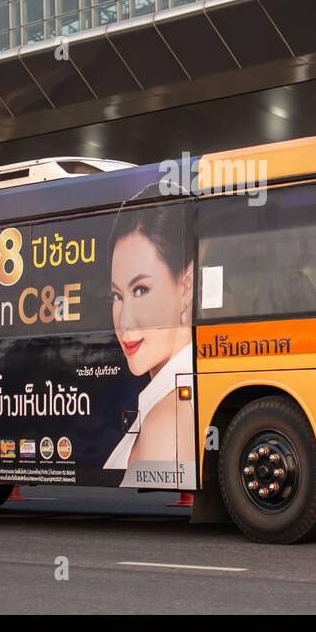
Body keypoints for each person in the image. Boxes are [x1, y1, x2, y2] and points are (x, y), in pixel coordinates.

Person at [103, 196, 193, 486]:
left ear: (186, 286)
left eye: (140, 290)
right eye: (117, 296)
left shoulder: (167, 419)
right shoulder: (165, 402)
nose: (124, 321)